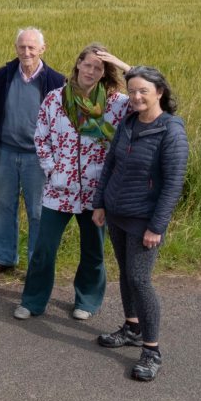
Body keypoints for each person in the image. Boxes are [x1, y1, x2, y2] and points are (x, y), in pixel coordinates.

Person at [15, 44, 129, 321]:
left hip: (96, 192)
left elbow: (156, 93)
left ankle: (87, 301)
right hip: (59, 190)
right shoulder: (55, 99)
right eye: (87, 64)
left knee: (93, 250)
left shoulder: (117, 104)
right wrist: (52, 170)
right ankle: (33, 301)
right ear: (78, 65)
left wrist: (124, 65)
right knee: (44, 248)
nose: (91, 71)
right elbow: (41, 138)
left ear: (105, 73)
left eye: (98, 67)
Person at [93, 66, 189, 382]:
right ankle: (132, 327)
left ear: (159, 92)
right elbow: (111, 164)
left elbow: (173, 183)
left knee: (140, 279)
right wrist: (100, 203)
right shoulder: (129, 122)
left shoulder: (171, 130)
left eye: (143, 91)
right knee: (126, 274)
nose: (136, 97)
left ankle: (151, 350)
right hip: (118, 213)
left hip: (144, 220)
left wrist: (157, 226)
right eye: (132, 91)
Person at [0, 27, 66, 275]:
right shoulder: (3, 75)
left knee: (38, 211)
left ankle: (36, 264)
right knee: (3, 206)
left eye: (31, 47)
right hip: (5, 153)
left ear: (42, 48)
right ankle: (4, 257)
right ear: (16, 48)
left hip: (39, 158)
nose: (26, 52)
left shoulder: (57, 82)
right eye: (22, 47)